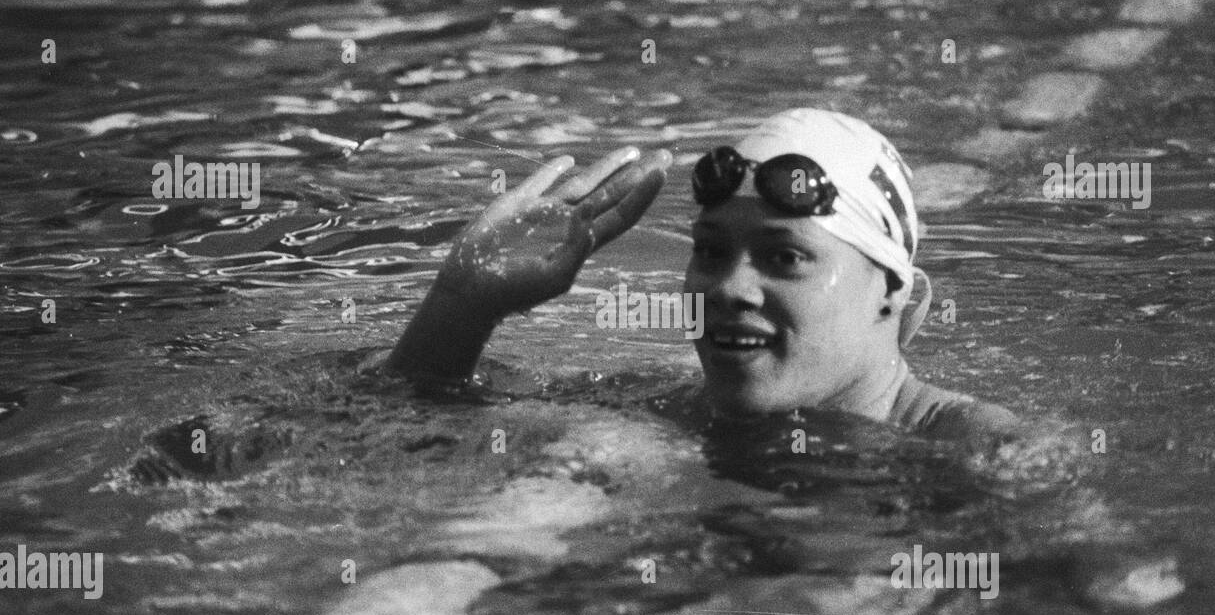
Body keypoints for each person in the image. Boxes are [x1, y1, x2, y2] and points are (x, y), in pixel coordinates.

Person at [385, 108, 1023, 445]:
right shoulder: (669, 411)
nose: (727, 288)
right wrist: (463, 303)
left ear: (895, 298)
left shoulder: (982, 453)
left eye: (785, 257)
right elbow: (408, 421)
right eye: (712, 252)